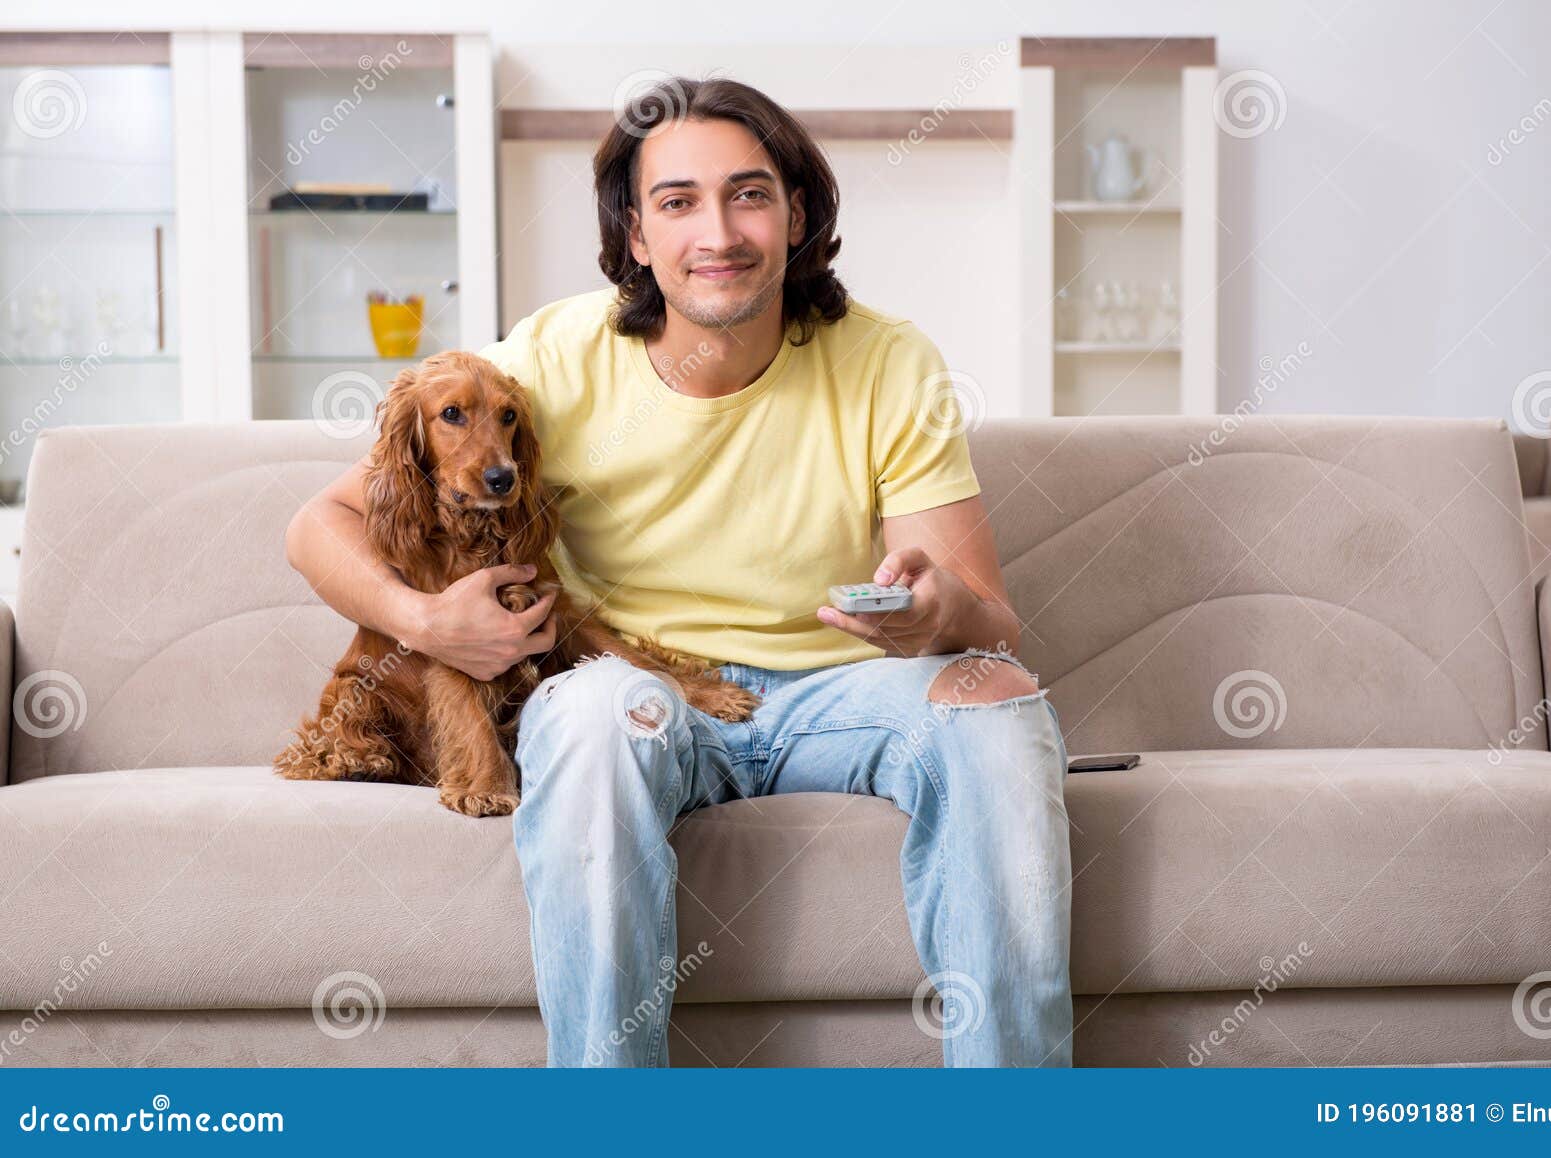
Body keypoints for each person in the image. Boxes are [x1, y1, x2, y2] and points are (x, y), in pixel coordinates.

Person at [284, 76, 1074, 1067]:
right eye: (678, 201)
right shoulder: (551, 359)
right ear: (636, 234)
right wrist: (428, 620)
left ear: (796, 216)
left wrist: (935, 612)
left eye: (749, 194)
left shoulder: (886, 361)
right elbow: (320, 525)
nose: (719, 231)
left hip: (838, 691)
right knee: (584, 712)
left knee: (993, 701)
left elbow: (988, 621)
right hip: (641, 694)